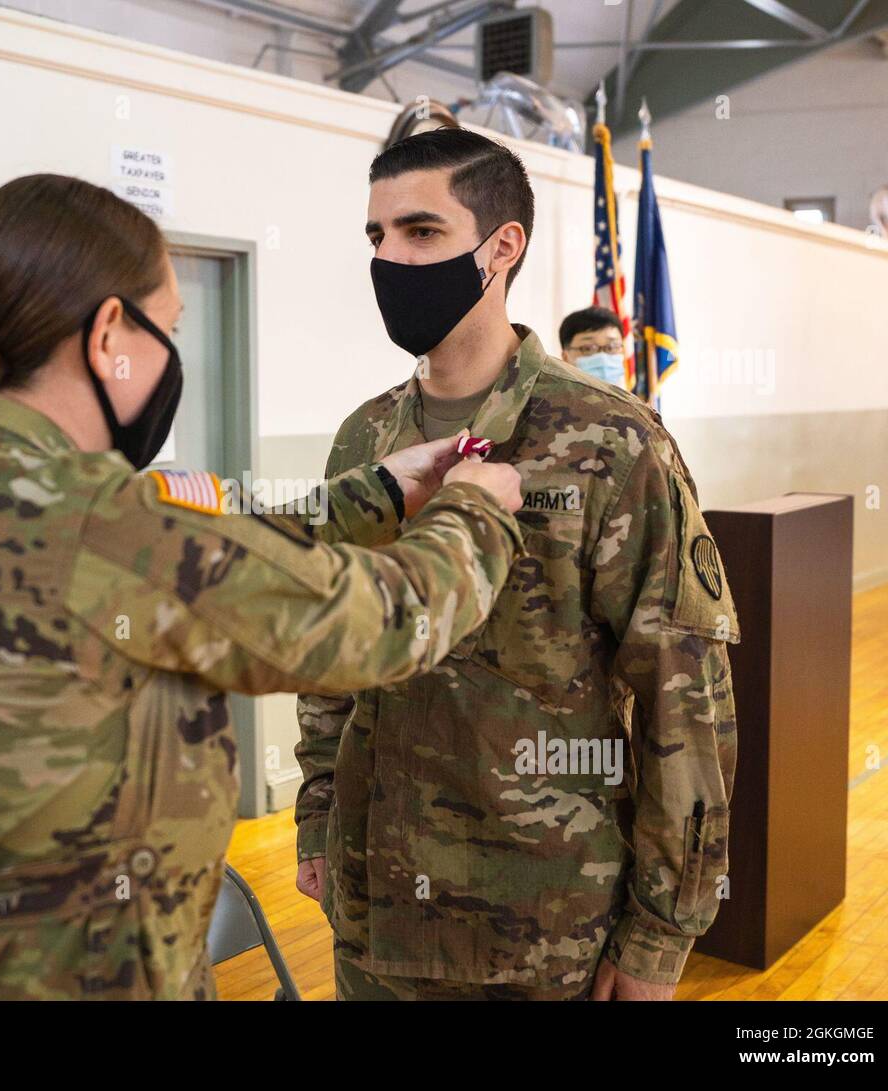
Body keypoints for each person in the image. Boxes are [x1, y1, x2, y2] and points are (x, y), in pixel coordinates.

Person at [0, 173, 525, 1001]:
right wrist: (476, 510)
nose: (172, 361)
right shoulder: (92, 518)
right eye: (168, 330)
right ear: (110, 331)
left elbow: (201, 558)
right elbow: (380, 623)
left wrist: (381, 492)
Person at [294, 128, 739, 1001]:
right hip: (373, 914)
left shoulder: (611, 440)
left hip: (539, 929)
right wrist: (317, 815)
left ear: (502, 247)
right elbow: (328, 654)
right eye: (377, 235)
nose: (390, 258)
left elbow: (684, 693)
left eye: (421, 231)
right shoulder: (365, 438)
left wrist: (660, 935)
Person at [558, 306, 627, 388]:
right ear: (565, 358)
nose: (602, 358)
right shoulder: (550, 395)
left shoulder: (633, 396)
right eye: (588, 348)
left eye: (611, 347)